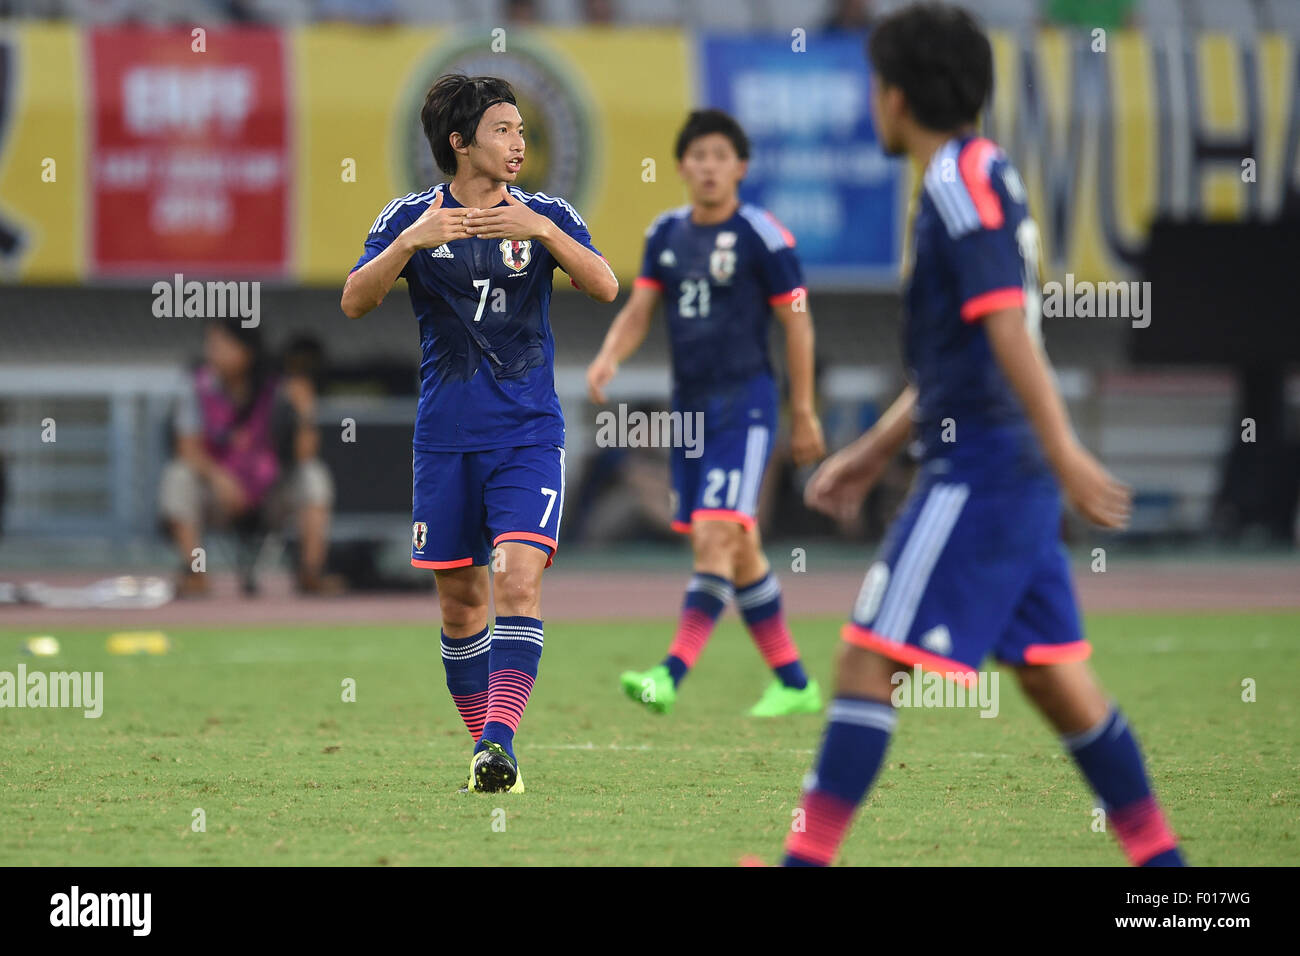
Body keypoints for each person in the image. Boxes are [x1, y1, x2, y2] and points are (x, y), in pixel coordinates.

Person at [779, 3, 1183, 866]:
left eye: (874, 84)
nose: (873, 100)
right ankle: (1170, 876)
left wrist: (1065, 448)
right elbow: (966, 350)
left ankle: (802, 862)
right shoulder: (972, 174)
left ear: (896, 96)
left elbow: (1006, 326)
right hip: (1008, 468)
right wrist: (878, 448)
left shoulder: (958, 183)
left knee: (865, 658)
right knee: (1055, 679)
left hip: (984, 471)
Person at [341, 74, 617, 794]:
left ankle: (500, 742)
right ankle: (488, 756)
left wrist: (547, 232)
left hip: (527, 433)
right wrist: (409, 242)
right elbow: (354, 301)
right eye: (503, 129)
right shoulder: (409, 216)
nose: (519, 142)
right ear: (460, 143)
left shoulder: (547, 212)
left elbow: (606, 285)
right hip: (444, 438)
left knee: (516, 579)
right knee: (461, 602)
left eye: (522, 130)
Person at [587, 109, 827, 718]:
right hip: (690, 408)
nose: (709, 167)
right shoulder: (666, 232)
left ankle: (668, 676)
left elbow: (796, 323)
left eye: (721, 156)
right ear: (682, 167)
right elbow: (641, 307)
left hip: (745, 403)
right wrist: (609, 357)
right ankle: (796, 683)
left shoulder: (764, 236)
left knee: (717, 536)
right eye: (699, 156)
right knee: (736, 547)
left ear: (740, 167)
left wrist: (802, 411)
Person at [160, 319, 341, 597]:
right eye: (211, 344)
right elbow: (187, 448)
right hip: (219, 496)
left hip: (269, 495)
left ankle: (311, 573)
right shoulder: (197, 385)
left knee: (313, 476)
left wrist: (305, 411)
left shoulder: (277, 389)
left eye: (221, 345)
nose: (212, 352)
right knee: (178, 476)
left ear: (246, 351)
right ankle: (195, 573)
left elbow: (304, 454)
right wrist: (221, 480)